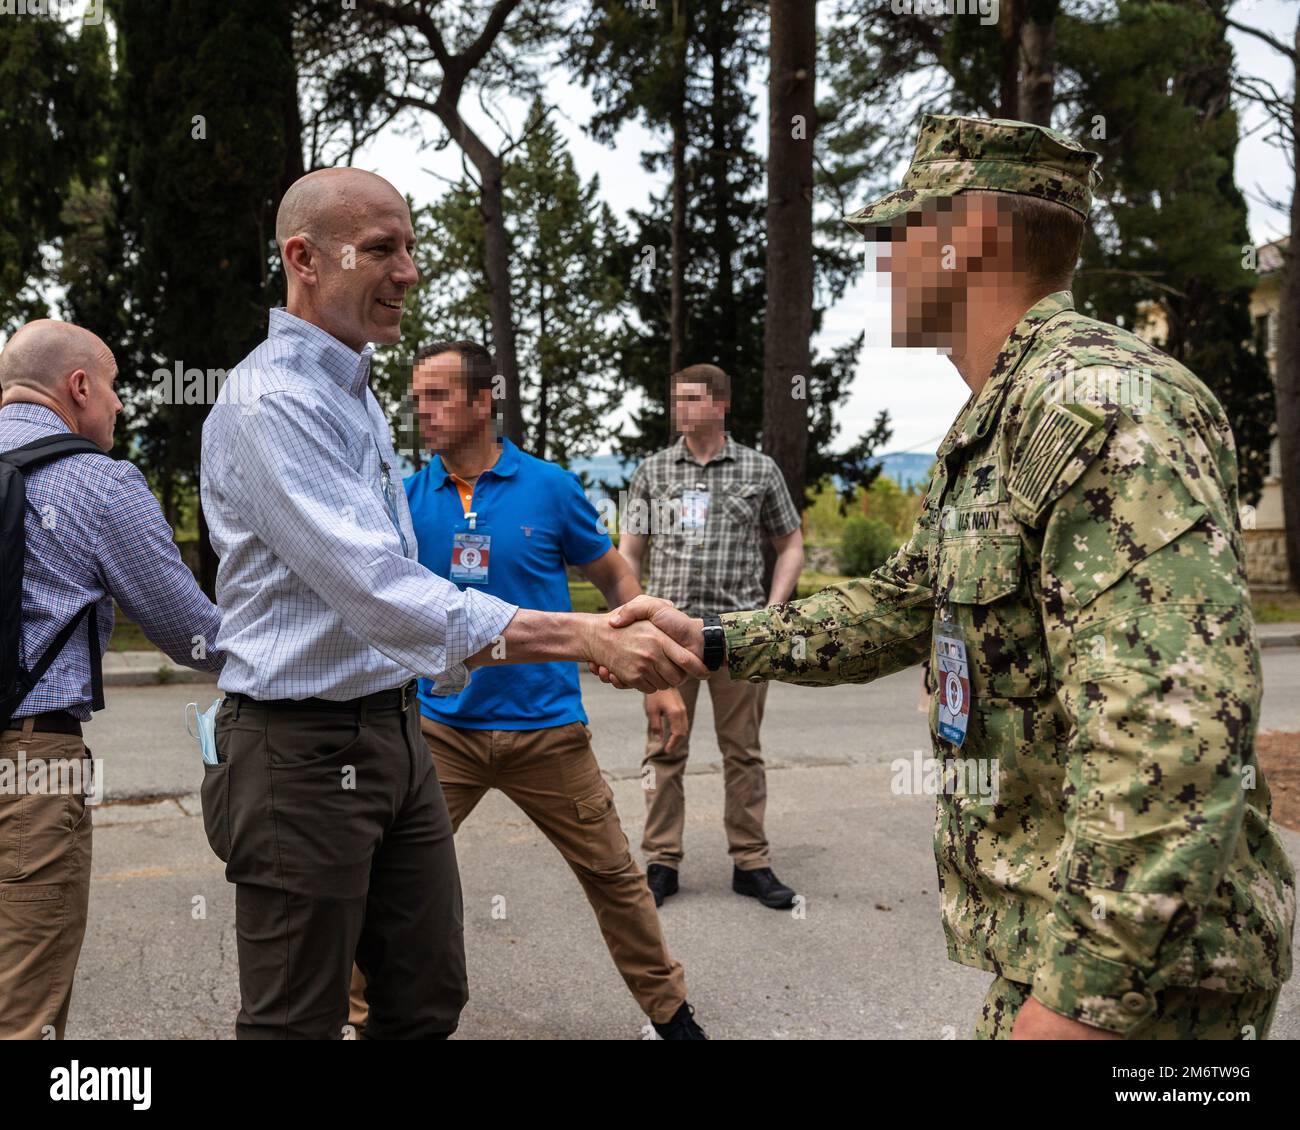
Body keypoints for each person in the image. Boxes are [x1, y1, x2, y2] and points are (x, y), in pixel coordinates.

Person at [599, 114, 1296, 1039]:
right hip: (1062, 948)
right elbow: (900, 605)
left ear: (968, 236)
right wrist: (717, 637)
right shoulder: (998, 420)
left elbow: (1173, 729)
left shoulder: (1099, 403)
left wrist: (1081, 1002)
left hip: (1139, 988)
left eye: (898, 235)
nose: (883, 264)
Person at [200, 168, 705, 1040]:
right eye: (385, 248)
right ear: (304, 258)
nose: (411, 270)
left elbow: (430, 592)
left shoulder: (351, 392)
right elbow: (381, 591)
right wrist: (585, 636)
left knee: (426, 997)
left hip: (402, 729)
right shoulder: (271, 400)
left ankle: (671, 1009)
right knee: (297, 1020)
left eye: (412, 246)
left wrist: (614, 629)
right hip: (305, 749)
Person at [348, 341, 706, 1039]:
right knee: (383, 878)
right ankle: (357, 1021)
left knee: (613, 876)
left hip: (547, 729)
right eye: (416, 397)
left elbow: (614, 582)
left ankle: (672, 1015)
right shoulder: (404, 498)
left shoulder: (550, 488)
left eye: (438, 396)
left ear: (484, 401)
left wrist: (656, 683)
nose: (421, 410)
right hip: (439, 731)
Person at [0, 320, 225, 1039]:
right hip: (31, 768)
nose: (121, 405)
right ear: (79, 387)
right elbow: (193, 634)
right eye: (117, 387)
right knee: (20, 1010)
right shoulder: (99, 482)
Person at [619, 364, 804, 909]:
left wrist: (774, 611)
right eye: (675, 397)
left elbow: (790, 544)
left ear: (721, 405)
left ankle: (751, 862)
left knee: (742, 751)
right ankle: (660, 861)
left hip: (738, 634)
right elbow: (630, 551)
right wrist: (634, 613)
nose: (680, 406)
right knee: (663, 750)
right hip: (666, 638)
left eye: (692, 398)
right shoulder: (654, 471)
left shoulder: (758, 469)